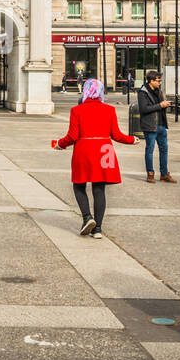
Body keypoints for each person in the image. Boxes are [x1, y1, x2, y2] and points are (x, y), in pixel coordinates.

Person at [51, 78, 135, 239]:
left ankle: (87, 217)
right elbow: (116, 135)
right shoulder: (109, 109)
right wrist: (132, 139)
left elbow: (72, 136)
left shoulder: (77, 110)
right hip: (105, 150)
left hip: (84, 149)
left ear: (86, 91)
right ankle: (98, 229)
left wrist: (60, 144)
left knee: (79, 185)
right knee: (99, 188)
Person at [136, 69, 175, 184]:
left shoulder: (158, 91)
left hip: (161, 125)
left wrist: (165, 104)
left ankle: (164, 174)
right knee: (150, 150)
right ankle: (150, 174)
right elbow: (144, 109)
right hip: (150, 126)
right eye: (158, 81)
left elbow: (160, 106)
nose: (160, 83)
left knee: (164, 150)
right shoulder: (142, 92)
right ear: (151, 81)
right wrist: (160, 105)